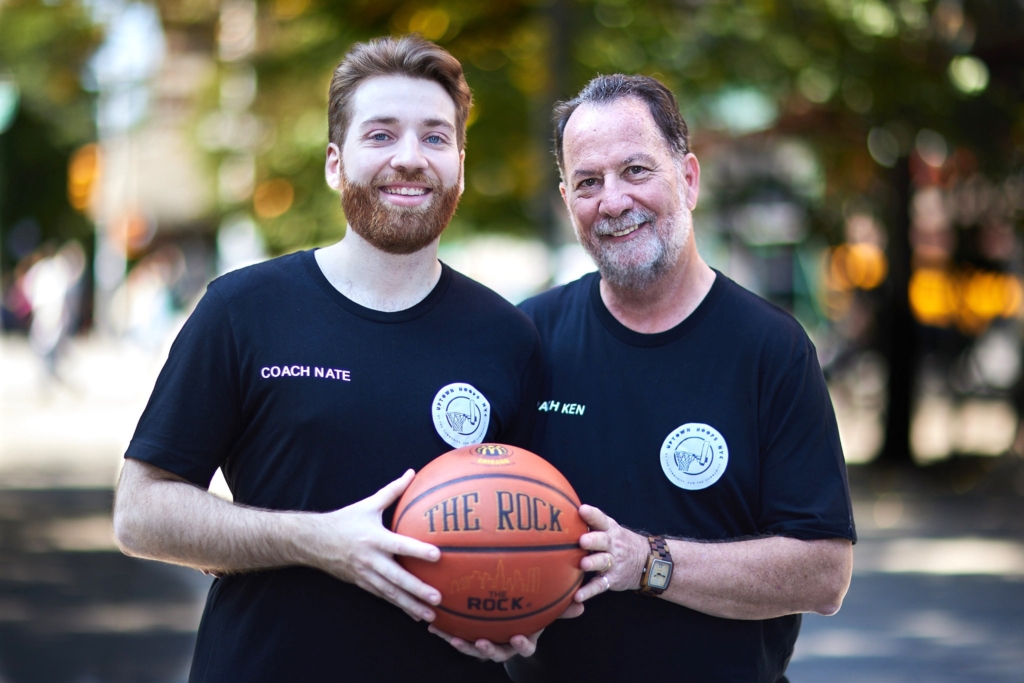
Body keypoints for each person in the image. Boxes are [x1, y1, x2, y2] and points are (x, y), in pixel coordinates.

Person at [113, 35, 544, 682]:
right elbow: (140, 511)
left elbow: (539, 528)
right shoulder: (243, 309)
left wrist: (526, 609)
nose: (410, 158)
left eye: (434, 137)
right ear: (335, 164)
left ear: (459, 160)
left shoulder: (509, 335)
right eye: (381, 135)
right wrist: (316, 540)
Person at [508, 75, 856, 682]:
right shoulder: (524, 339)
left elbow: (824, 572)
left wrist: (647, 562)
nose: (612, 201)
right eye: (588, 182)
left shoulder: (770, 349)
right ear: (567, 201)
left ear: (688, 179)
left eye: (636, 170)